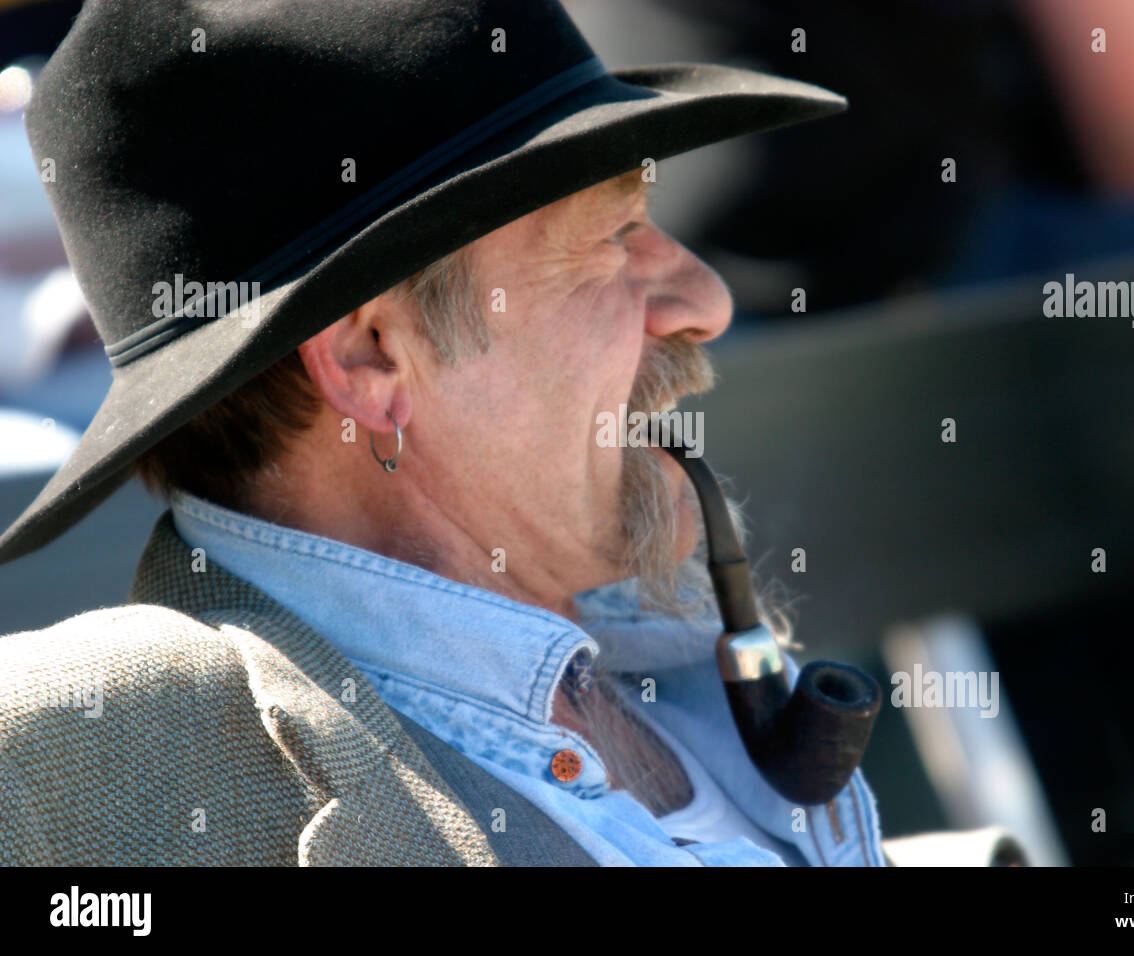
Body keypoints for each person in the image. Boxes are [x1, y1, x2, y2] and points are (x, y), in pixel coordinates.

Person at [0, 0, 885, 865]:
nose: (706, 302)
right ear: (369, 356)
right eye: (615, 235)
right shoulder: (93, 741)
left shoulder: (651, 651)